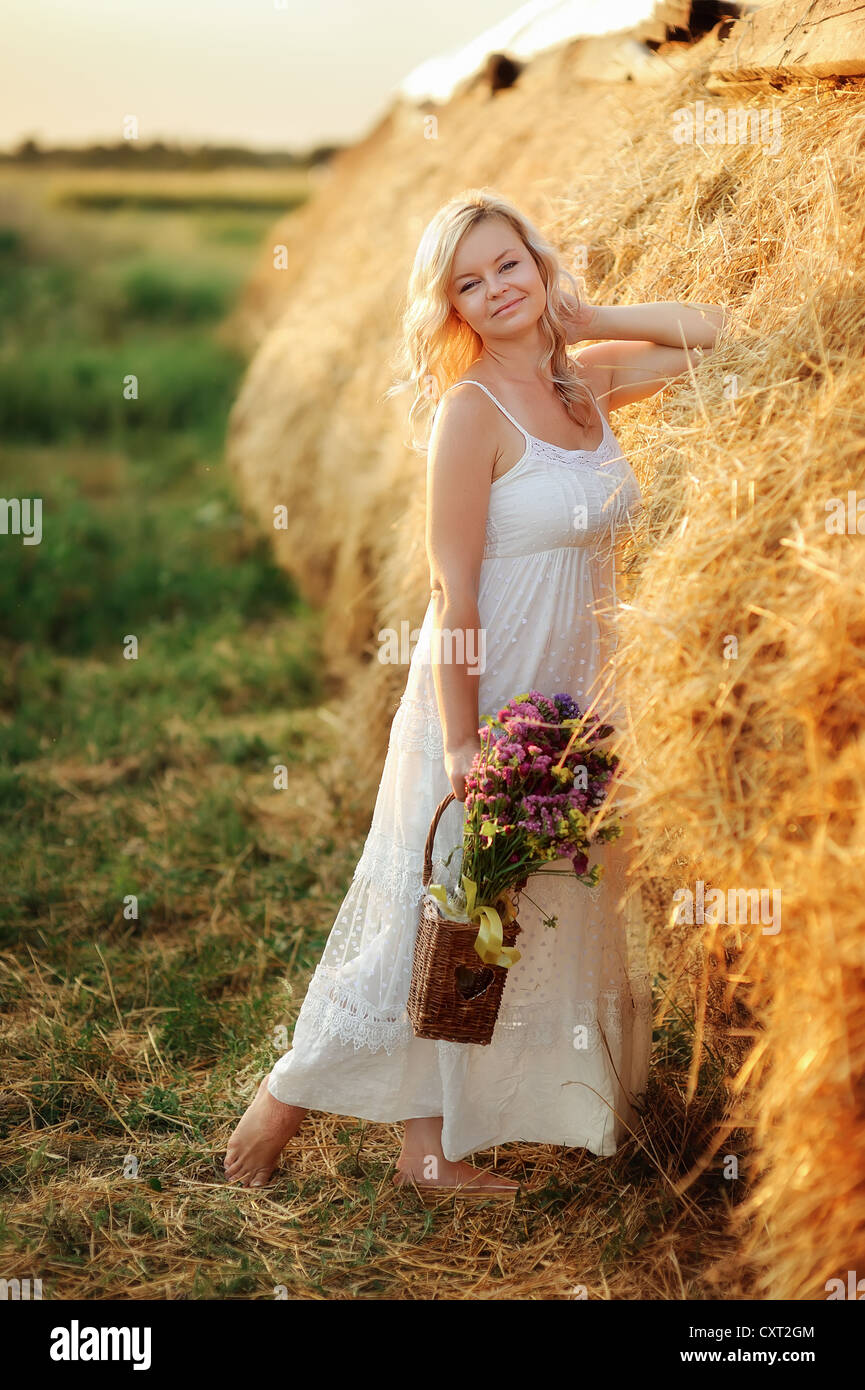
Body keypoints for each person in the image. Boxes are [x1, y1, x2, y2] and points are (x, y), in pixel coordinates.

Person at [224, 189, 726, 1195]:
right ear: (448, 306)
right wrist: (462, 746)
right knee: (436, 919)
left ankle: (429, 1148)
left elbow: (716, 337)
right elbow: (452, 590)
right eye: (469, 280)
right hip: (487, 693)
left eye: (509, 265)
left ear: (539, 266)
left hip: (582, 695)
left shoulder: (583, 388)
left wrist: (595, 318)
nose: (495, 289)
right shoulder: (470, 413)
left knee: (510, 914)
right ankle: (280, 1103)